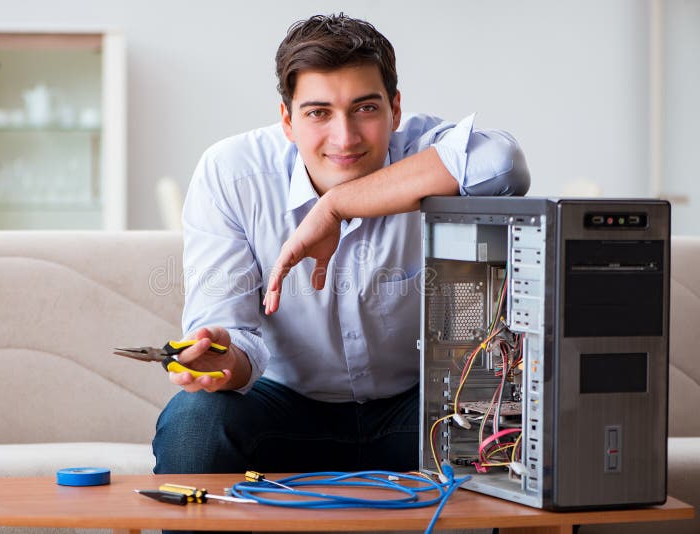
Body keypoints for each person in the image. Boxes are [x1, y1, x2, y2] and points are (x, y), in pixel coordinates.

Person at [153, 13, 530, 475]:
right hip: (285, 409)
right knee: (193, 422)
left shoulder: (426, 151)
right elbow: (237, 343)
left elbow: (505, 165)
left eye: (366, 108)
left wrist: (336, 205)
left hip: (417, 414)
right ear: (287, 120)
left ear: (395, 108)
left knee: (519, 426)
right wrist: (221, 356)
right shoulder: (232, 175)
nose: (345, 137)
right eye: (318, 113)